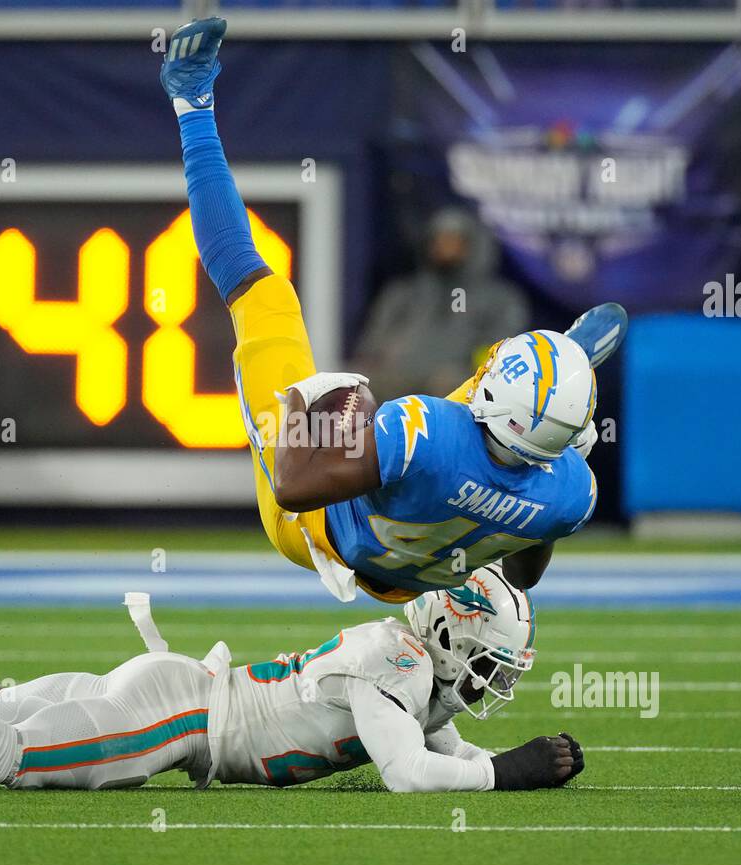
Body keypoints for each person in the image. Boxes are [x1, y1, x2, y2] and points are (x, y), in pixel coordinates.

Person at [160, 17, 627, 603]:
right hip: (418, 572)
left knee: (262, 295)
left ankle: (191, 104)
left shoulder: (427, 433)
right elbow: (521, 571)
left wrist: (335, 407)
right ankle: (568, 372)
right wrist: (555, 462)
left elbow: (293, 485)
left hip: (316, 532)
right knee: (485, 462)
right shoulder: (572, 493)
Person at [0, 572, 584, 793]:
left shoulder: (411, 672)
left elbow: (441, 746)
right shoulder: (397, 663)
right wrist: (507, 772)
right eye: (490, 658)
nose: (489, 677)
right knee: (12, 755)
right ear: (448, 634)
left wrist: (501, 759)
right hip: (184, 715)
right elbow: (408, 774)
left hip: (180, 692)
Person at [353, 206, 529, 400]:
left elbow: (499, 352)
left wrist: (465, 373)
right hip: (396, 383)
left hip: (456, 383)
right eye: (439, 240)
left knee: (449, 386)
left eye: (453, 240)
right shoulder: (403, 293)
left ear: (474, 246)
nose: (444, 247)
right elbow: (372, 344)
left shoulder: (499, 299)